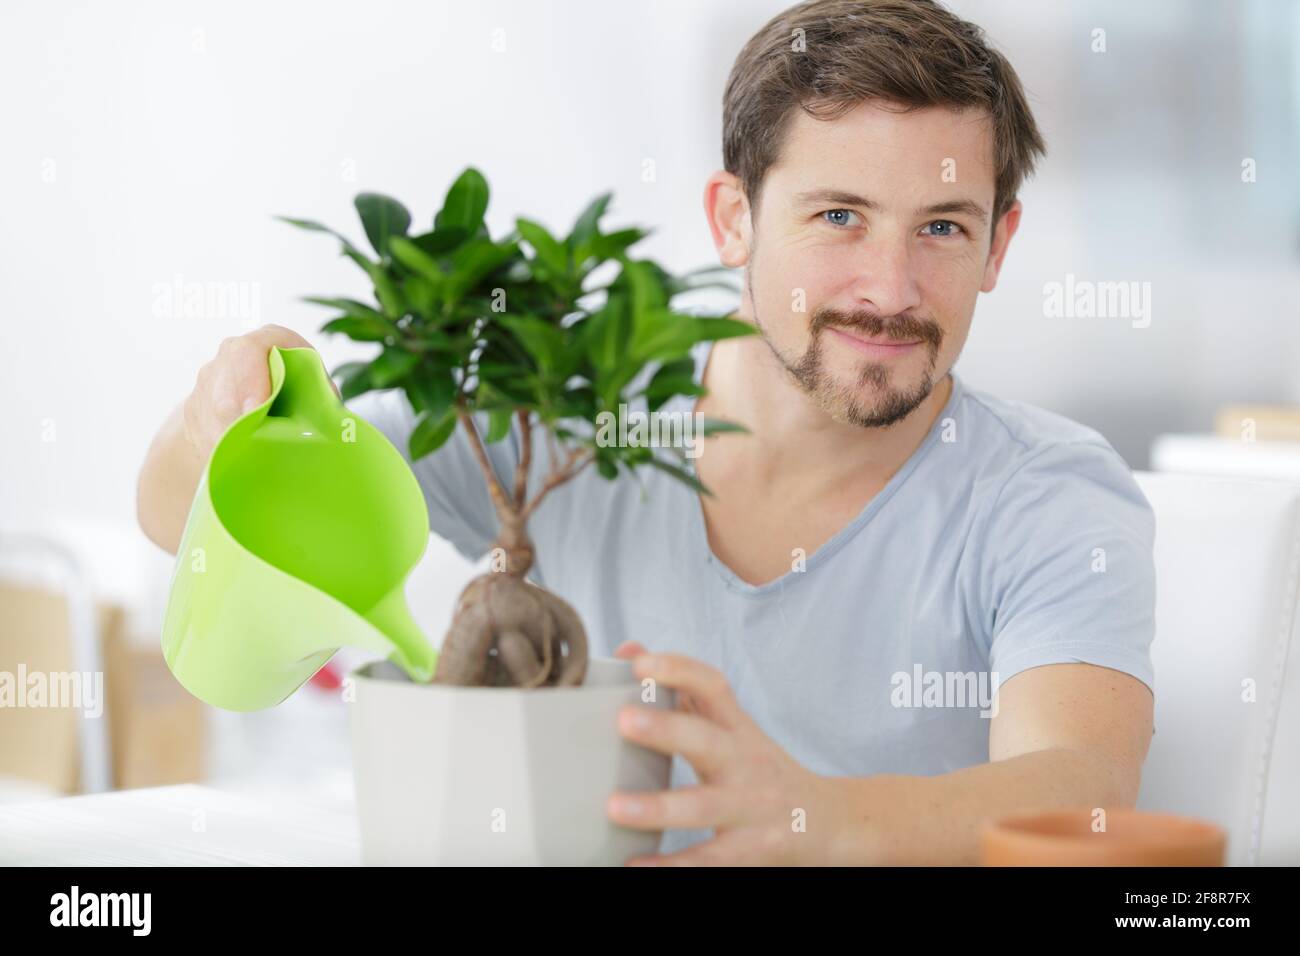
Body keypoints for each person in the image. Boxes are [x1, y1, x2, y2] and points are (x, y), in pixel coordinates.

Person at [138, 0, 1156, 865]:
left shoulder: (1047, 494)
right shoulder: (563, 397)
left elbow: (1083, 790)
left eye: (941, 225)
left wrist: (814, 816)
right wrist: (211, 425)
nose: (888, 290)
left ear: (998, 243)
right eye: (838, 217)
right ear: (731, 222)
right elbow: (175, 517)